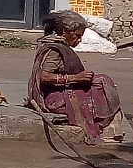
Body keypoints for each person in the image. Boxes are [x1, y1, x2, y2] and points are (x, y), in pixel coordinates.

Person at [28, 10, 125, 145]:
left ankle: (112, 127)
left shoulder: (60, 46)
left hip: (63, 90)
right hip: (53, 98)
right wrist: (76, 78)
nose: (79, 40)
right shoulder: (54, 49)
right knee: (101, 86)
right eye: (78, 36)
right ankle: (105, 129)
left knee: (103, 80)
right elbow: (44, 77)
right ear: (66, 32)